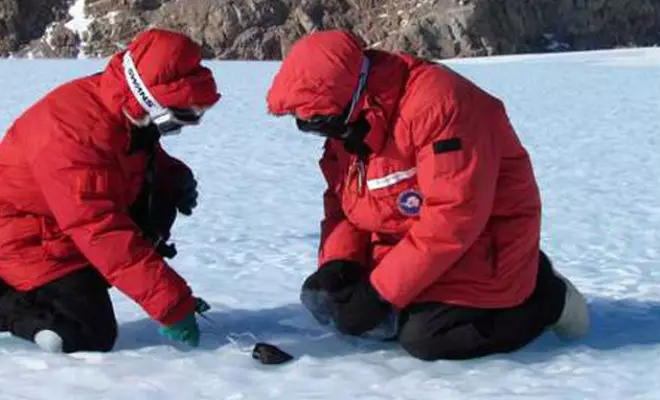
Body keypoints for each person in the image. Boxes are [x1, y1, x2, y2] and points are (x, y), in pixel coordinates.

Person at [267, 30, 590, 361]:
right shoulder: (351, 122)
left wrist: (380, 293)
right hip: (419, 246)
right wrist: (341, 262)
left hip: (488, 244)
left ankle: (547, 298)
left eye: (321, 121)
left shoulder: (441, 107)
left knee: (428, 336)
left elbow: (454, 216)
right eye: (306, 125)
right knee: (342, 303)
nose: (320, 133)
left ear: (350, 96)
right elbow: (343, 201)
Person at [0, 28, 220, 353]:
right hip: (24, 235)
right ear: (149, 102)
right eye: (180, 118)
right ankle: (9, 302)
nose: (184, 128)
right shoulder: (73, 137)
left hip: (61, 227)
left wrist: (174, 178)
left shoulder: (121, 109)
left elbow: (130, 159)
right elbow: (101, 230)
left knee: (161, 197)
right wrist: (171, 304)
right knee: (87, 333)